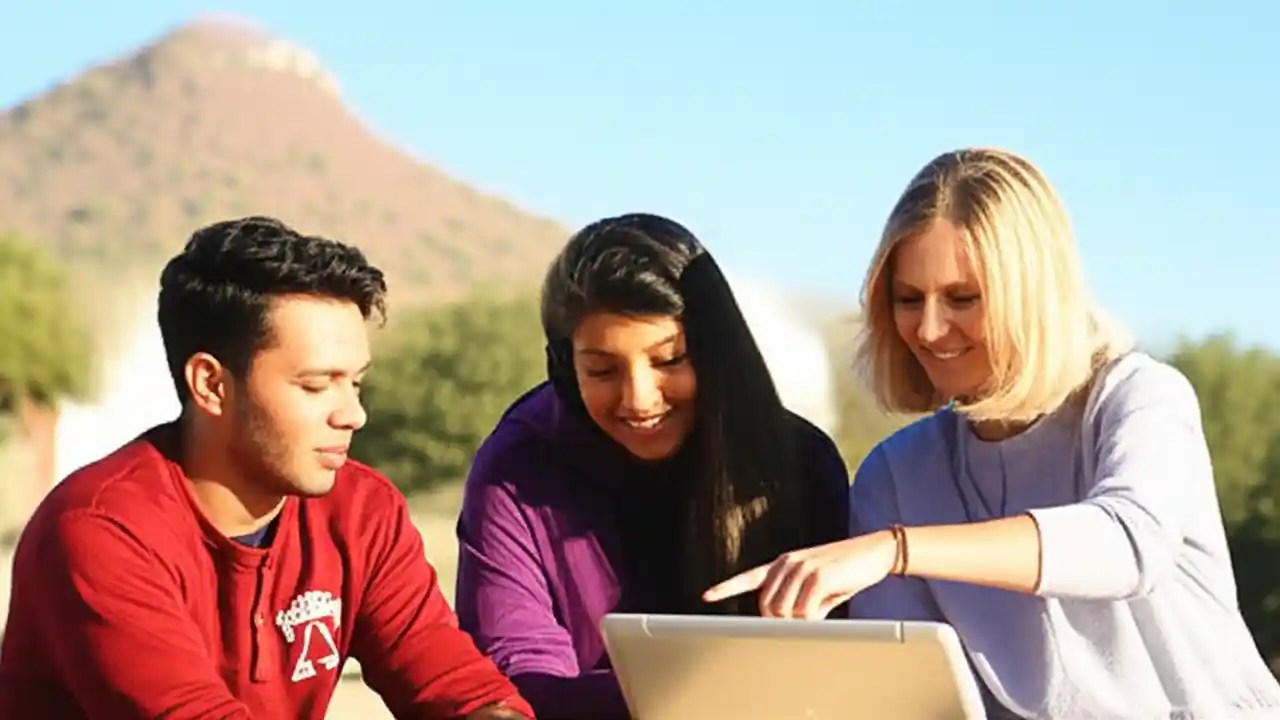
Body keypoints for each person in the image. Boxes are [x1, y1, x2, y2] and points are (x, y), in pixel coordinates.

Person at [703, 148, 1280, 718]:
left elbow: (1128, 543)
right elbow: (918, 699)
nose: (928, 329)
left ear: (1034, 296)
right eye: (908, 299)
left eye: (962, 298)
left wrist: (894, 550)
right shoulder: (895, 474)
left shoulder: (1138, 397)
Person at [0, 217, 533, 720]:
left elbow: (456, 685)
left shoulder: (362, 511)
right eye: (316, 385)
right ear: (211, 384)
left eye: (356, 382)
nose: (353, 413)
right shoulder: (100, 529)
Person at [453, 213, 850, 718]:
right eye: (601, 370)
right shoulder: (514, 473)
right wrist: (709, 701)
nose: (639, 400)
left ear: (716, 354)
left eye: (669, 361)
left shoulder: (801, 462)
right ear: (563, 364)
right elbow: (521, 679)